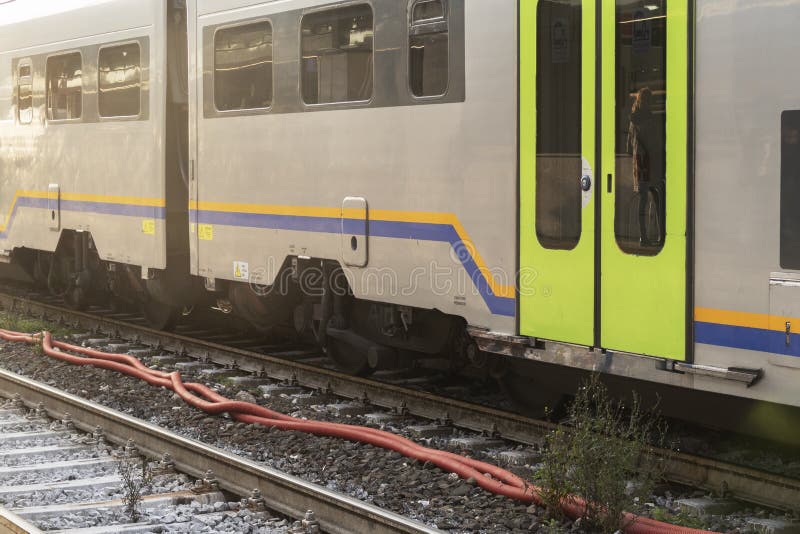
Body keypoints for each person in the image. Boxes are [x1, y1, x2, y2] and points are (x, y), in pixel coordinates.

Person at [627, 87, 663, 247]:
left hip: (639, 161)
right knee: (656, 197)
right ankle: (660, 235)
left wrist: (636, 153)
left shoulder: (633, 120)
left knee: (643, 198)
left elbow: (628, 147)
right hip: (651, 161)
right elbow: (657, 143)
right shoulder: (651, 119)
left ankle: (644, 236)